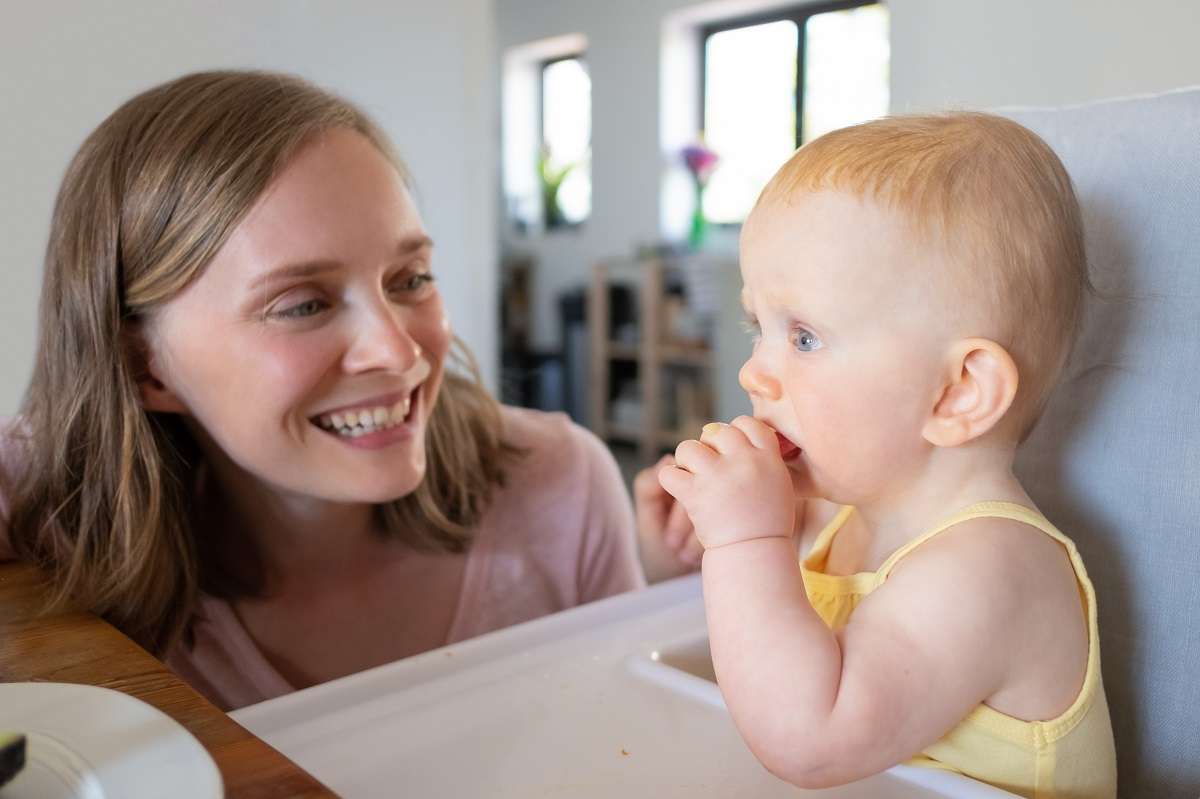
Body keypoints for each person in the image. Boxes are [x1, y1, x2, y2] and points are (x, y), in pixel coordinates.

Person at [0, 70, 644, 711]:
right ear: (144, 366)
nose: (398, 350)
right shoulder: (39, 518)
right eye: (304, 305)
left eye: (411, 278)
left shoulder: (563, 488)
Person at [657, 113, 1117, 797]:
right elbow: (762, 645)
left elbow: (810, 739)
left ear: (958, 392)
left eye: (804, 337)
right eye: (760, 326)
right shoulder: (844, 522)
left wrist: (744, 540)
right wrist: (727, 532)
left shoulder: (991, 569)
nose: (755, 372)